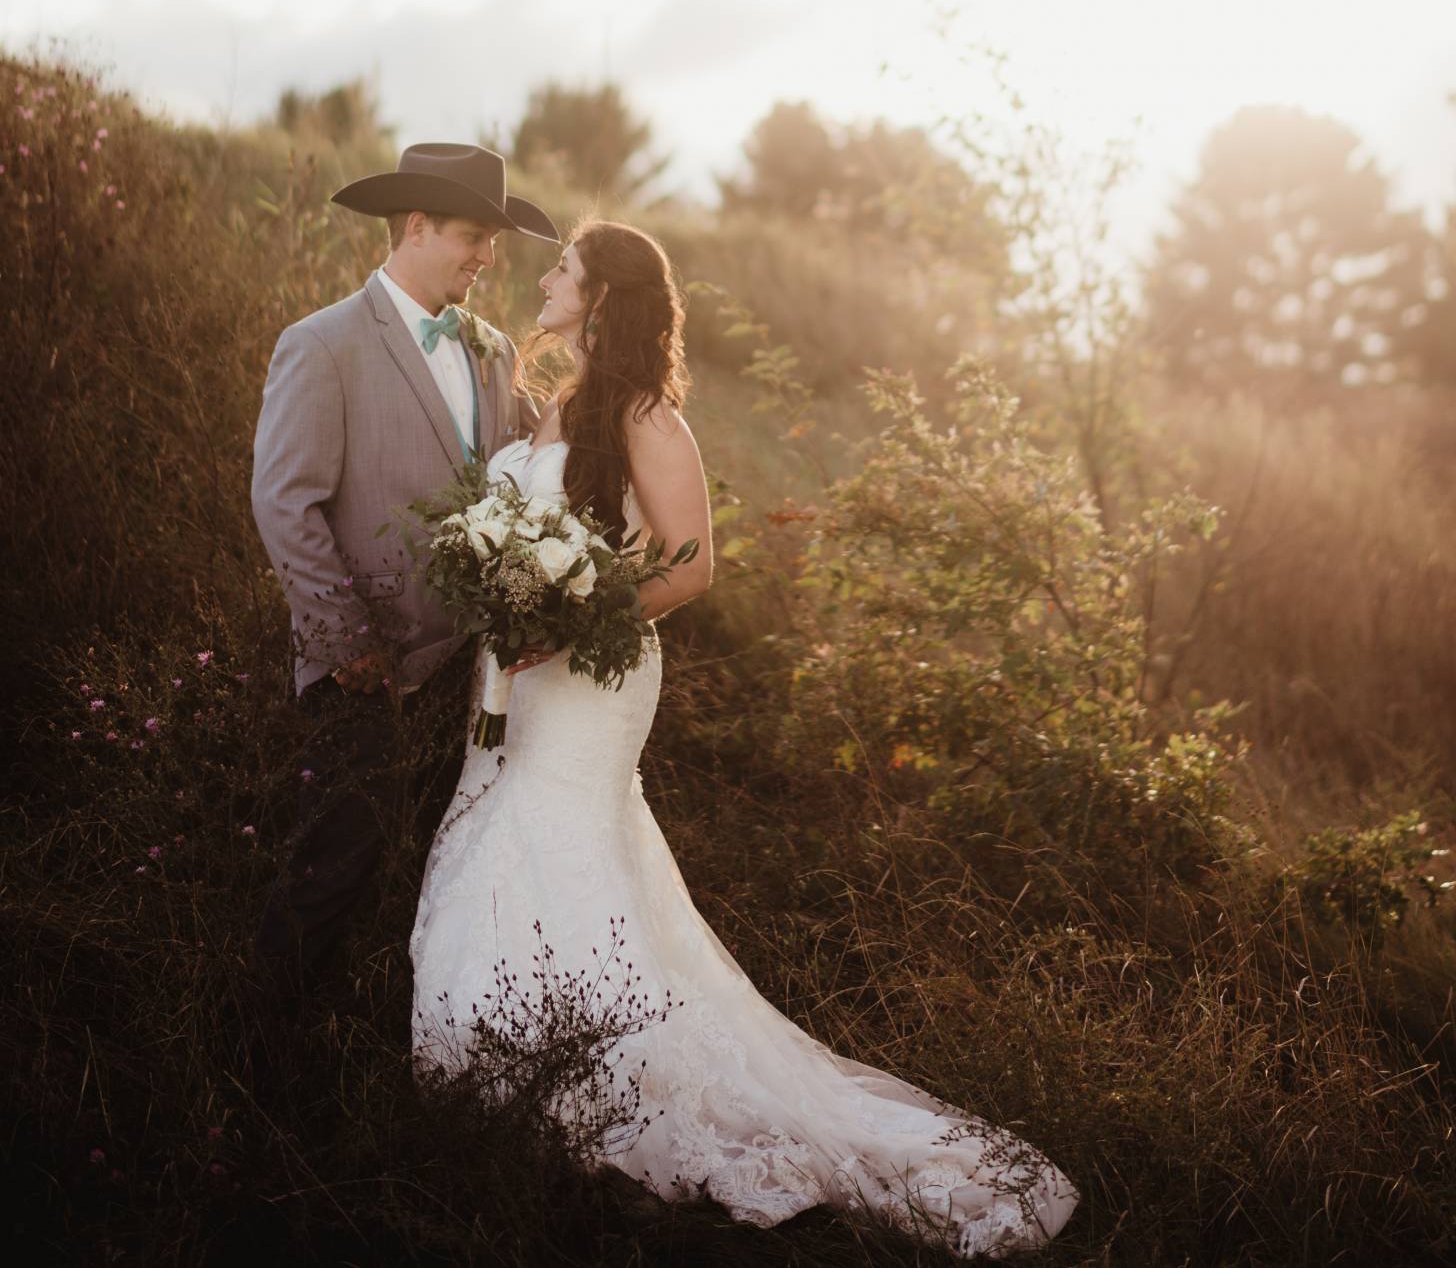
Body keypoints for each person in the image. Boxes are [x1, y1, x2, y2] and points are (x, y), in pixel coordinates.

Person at [411, 220, 1077, 1255]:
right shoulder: (559, 406)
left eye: (561, 270)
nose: (542, 279)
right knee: (508, 839)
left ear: (600, 298)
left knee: (563, 843)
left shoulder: (644, 416)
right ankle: (520, 1053)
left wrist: (571, 617)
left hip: (589, 678)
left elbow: (690, 566)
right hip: (520, 678)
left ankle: (591, 1067)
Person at [251, 141, 558, 1003]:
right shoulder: (322, 345)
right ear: (415, 225)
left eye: (495, 241)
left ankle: (391, 1057)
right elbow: (285, 504)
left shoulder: (494, 352)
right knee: (332, 868)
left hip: (469, 673)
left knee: (439, 872)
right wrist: (351, 645)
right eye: (474, 236)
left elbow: (536, 467)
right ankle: (257, 1060)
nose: (489, 257)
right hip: (363, 672)